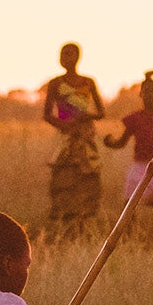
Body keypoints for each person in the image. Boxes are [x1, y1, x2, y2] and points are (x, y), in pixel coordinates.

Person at [40, 44, 105, 235]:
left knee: (87, 176)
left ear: (78, 57)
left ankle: (83, 224)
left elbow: (101, 112)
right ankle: (68, 226)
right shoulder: (55, 83)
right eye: (63, 54)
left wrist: (85, 117)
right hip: (67, 137)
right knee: (64, 178)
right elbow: (47, 114)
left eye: (70, 54)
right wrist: (65, 126)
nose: (66, 57)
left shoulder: (88, 82)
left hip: (85, 137)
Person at [102, 76, 153, 236]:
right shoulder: (135, 118)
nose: (150, 95)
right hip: (140, 166)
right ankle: (131, 235)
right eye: (146, 92)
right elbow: (122, 142)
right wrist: (109, 142)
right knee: (129, 203)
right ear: (141, 95)